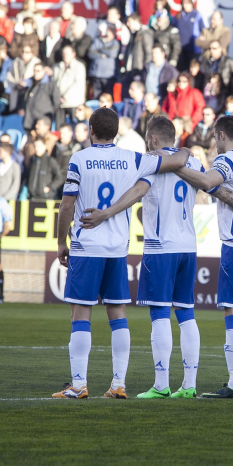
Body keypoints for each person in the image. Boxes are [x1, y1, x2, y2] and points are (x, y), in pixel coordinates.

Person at [78, 115, 233, 399]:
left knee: (160, 315)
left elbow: (138, 191)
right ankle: (189, 385)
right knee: (187, 315)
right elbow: (216, 190)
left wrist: (107, 213)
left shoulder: (152, 162)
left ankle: (162, 384)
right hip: (188, 246)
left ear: (153, 139)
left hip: (160, 246)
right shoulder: (191, 162)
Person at [52, 108, 201, 399]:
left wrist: (60, 242)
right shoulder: (134, 159)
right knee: (117, 313)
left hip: (87, 245)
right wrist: (185, 150)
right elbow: (176, 160)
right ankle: (118, 383)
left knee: (80, 313)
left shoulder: (79, 159)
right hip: (118, 248)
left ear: (91, 130)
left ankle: (79, 385)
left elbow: (67, 205)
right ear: (117, 131)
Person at [153, 115, 233, 399]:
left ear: (221, 135)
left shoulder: (227, 161)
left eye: (213, 136)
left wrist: (176, 166)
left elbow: (209, 182)